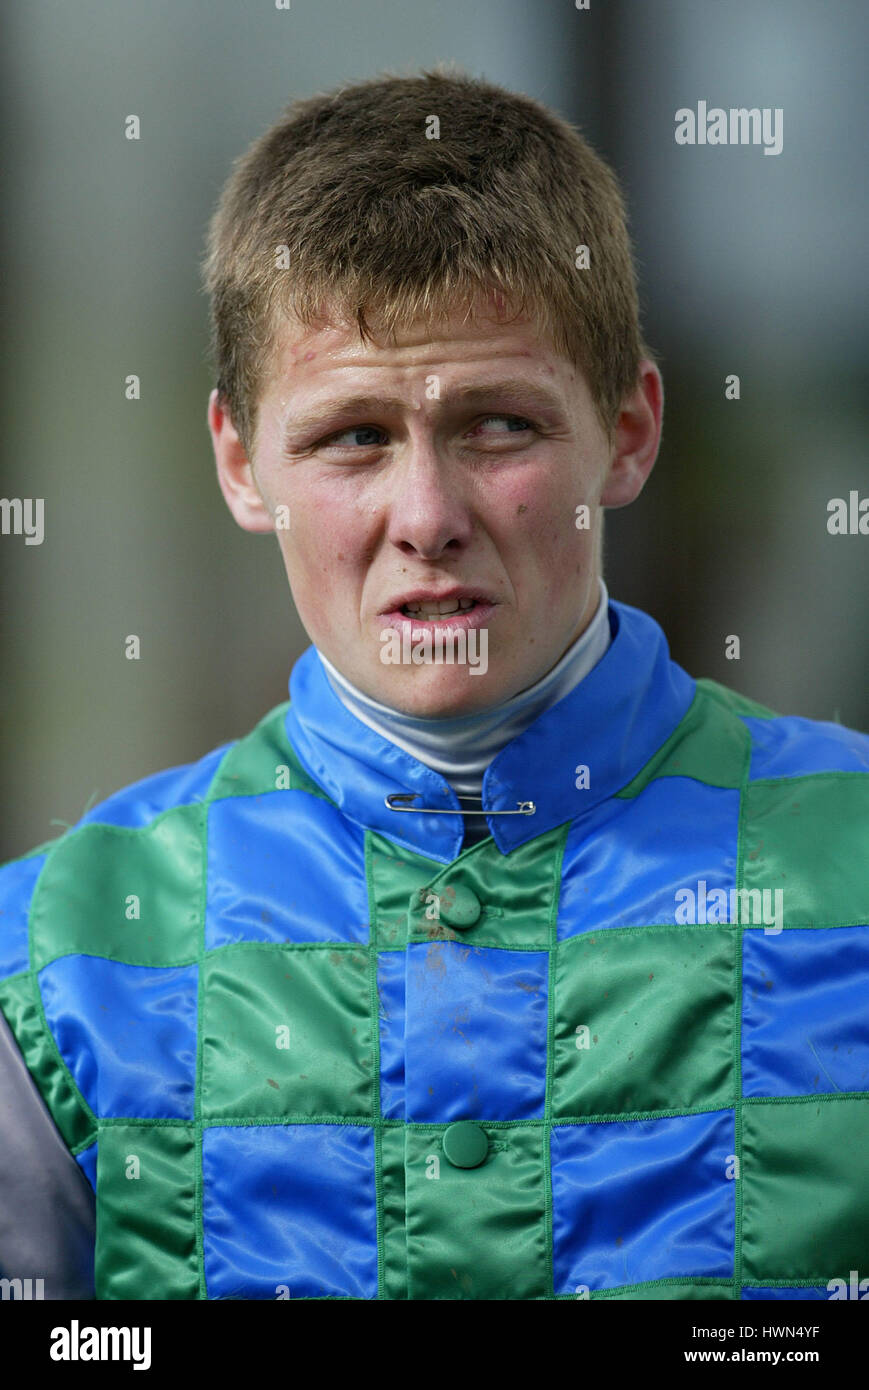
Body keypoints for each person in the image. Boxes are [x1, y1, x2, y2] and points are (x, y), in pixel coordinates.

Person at [1, 68, 868, 1303]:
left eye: (497, 425)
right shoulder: (50, 963)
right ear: (241, 464)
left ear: (627, 430)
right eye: (352, 435)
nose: (427, 516)